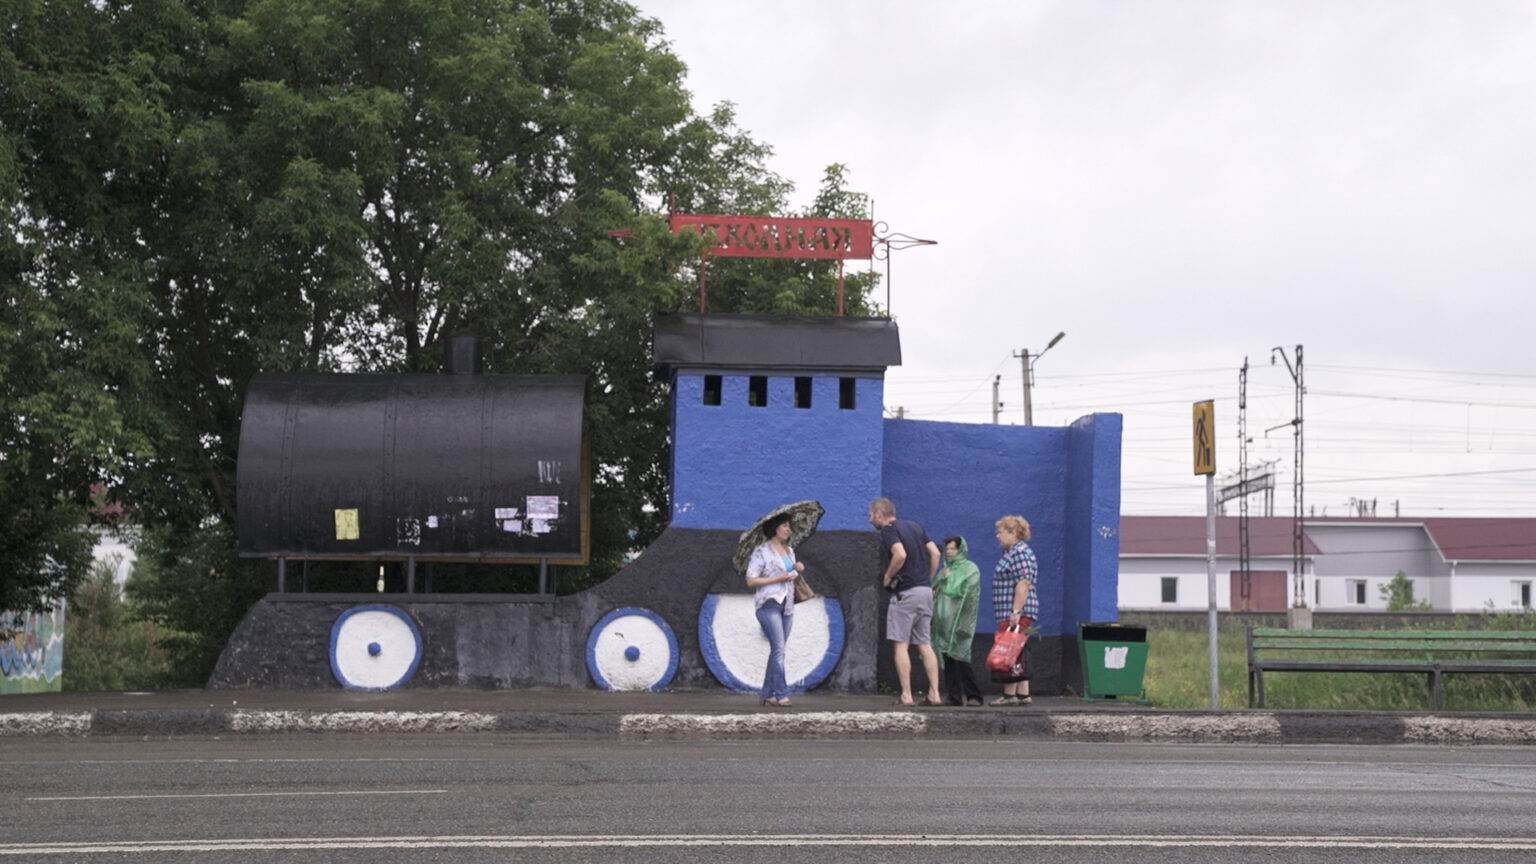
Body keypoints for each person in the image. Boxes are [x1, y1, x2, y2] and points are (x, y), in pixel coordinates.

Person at [868, 497, 943, 707]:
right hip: (925, 591)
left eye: (870, 514)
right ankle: (935, 694)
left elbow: (900, 554)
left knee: (901, 645)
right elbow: (936, 553)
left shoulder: (888, 530)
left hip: (905, 594)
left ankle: (906, 695)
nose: (869, 519)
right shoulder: (916, 526)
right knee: (925, 644)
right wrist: (927, 578)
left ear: (879, 514)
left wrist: (887, 576)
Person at [745, 512, 804, 707]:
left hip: (787, 606)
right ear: (775, 528)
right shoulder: (762, 551)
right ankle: (781, 694)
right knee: (779, 649)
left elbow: (790, 575)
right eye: (785, 525)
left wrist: (797, 568)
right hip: (768, 605)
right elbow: (751, 580)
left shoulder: (789, 550)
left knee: (777, 650)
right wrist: (776, 579)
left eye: (789, 526)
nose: (788, 529)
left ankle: (766, 693)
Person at [990, 514, 1039, 706]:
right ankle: (1023, 694)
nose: (997, 536)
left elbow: (1023, 582)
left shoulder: (1019, 553)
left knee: (1010, 650)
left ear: (1013, 533)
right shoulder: (1011, 552)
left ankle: (1009, 695)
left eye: (1000, 532)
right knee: (1017, 648)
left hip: (1016, 611)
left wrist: (1016, 612)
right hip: (1010, 611)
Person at [932, 535, 983, 706]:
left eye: (952, 548)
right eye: (947, 549)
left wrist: (949, 578)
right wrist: (941, 579)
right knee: (948, 661)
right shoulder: (944, 570)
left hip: (961, 622)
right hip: (944, 624)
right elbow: (935, 592)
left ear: (961, 550)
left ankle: (974, 696)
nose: (949, 552)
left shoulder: (970, 569)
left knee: (961, 659)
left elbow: (964, 593)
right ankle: (953, 696)